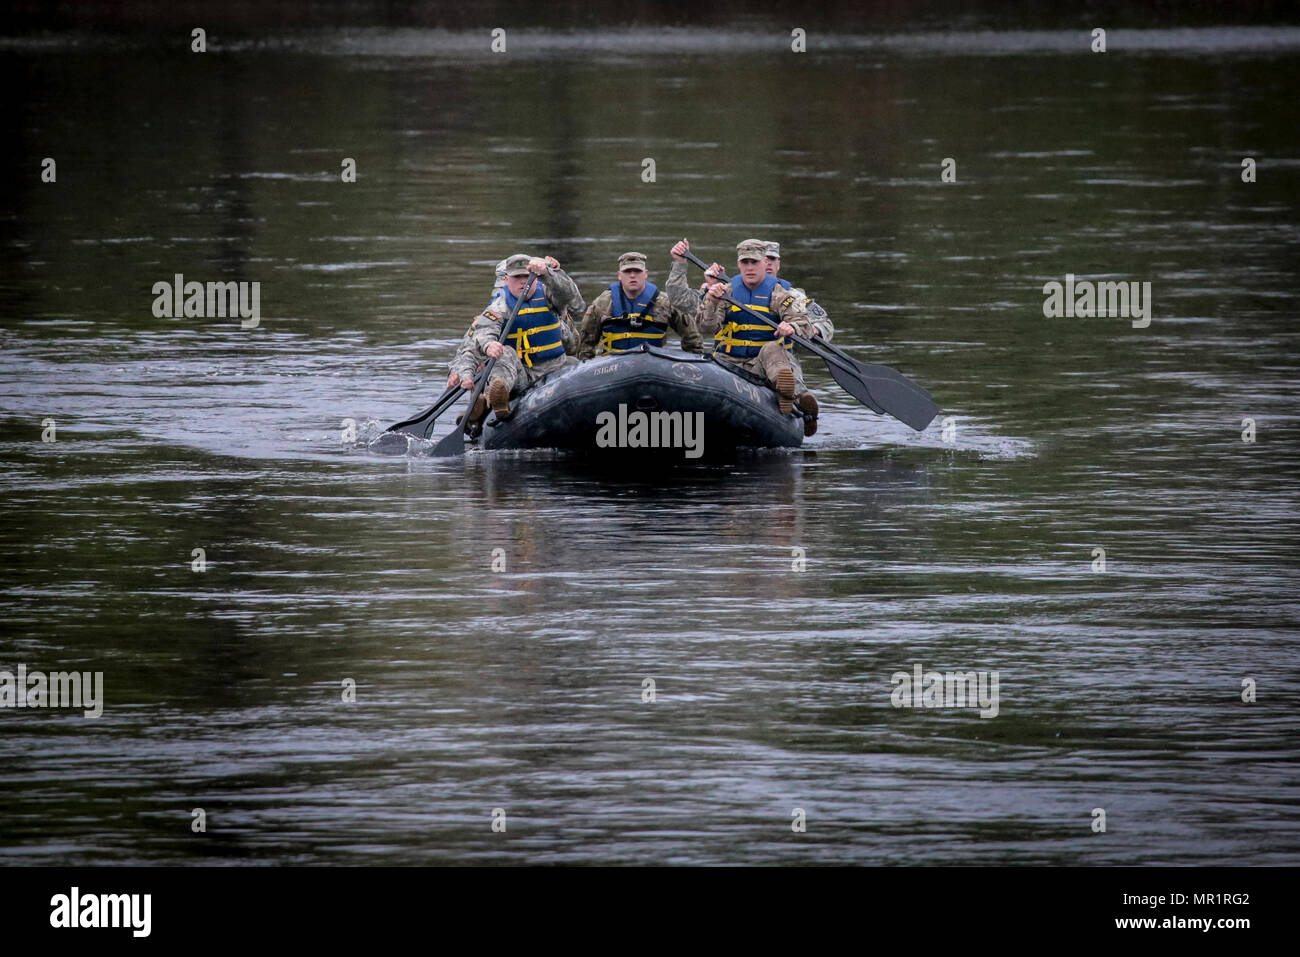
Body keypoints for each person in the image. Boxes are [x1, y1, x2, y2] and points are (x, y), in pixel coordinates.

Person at [696, 239, 819, 434]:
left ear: (764, 264)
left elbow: (804, 324)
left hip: (763, 363)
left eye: (754, 262)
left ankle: (788, 390)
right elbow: (705, 328)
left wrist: (792, 327)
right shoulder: (725, 292)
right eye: (745, 263)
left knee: (772, 348)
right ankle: (787, 394)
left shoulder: (780, 294)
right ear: (738, 265)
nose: (750, 268)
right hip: (728, 361)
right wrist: (711, 302)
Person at [447, 254, 583, 427]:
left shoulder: (550, 301)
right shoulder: (496, 309)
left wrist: (552, 273)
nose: (522, 282)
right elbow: (472, 345)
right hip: (517, 373)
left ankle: (484, 405)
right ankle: (488, 403)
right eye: (515, 277)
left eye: (526, 276)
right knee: (502, 356)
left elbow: (574, 309)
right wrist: (461, 371)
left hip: (553, 365)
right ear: (506, 280)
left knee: (575, 363)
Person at [578, 252, 701, 359]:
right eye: (627, 271)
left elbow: (691, 338)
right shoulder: (602, 303)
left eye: (637, 271)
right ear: (620, 275)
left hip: (653, 366)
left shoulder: (665, 303)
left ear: (645, 274)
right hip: (612, 368)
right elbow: (586, 345)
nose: (632, 275)